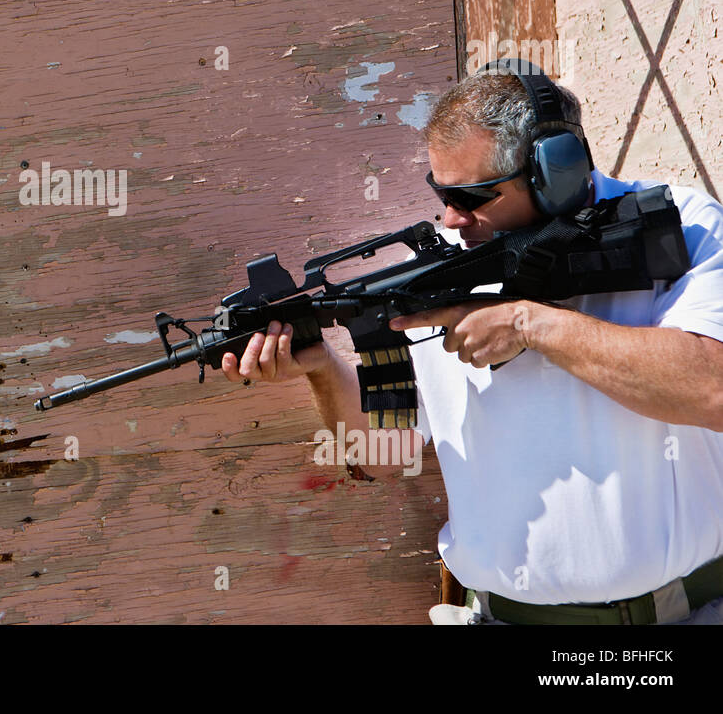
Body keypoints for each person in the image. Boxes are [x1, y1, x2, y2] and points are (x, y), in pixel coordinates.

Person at [221, 58, 723, 624]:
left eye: (473, 198)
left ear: (554, 174)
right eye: (443, 193)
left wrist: (530, 325)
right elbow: (385, 457)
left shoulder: (683, 229)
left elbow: (713, 391)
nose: (451, 219)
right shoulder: (437, 271)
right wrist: (320, 368)